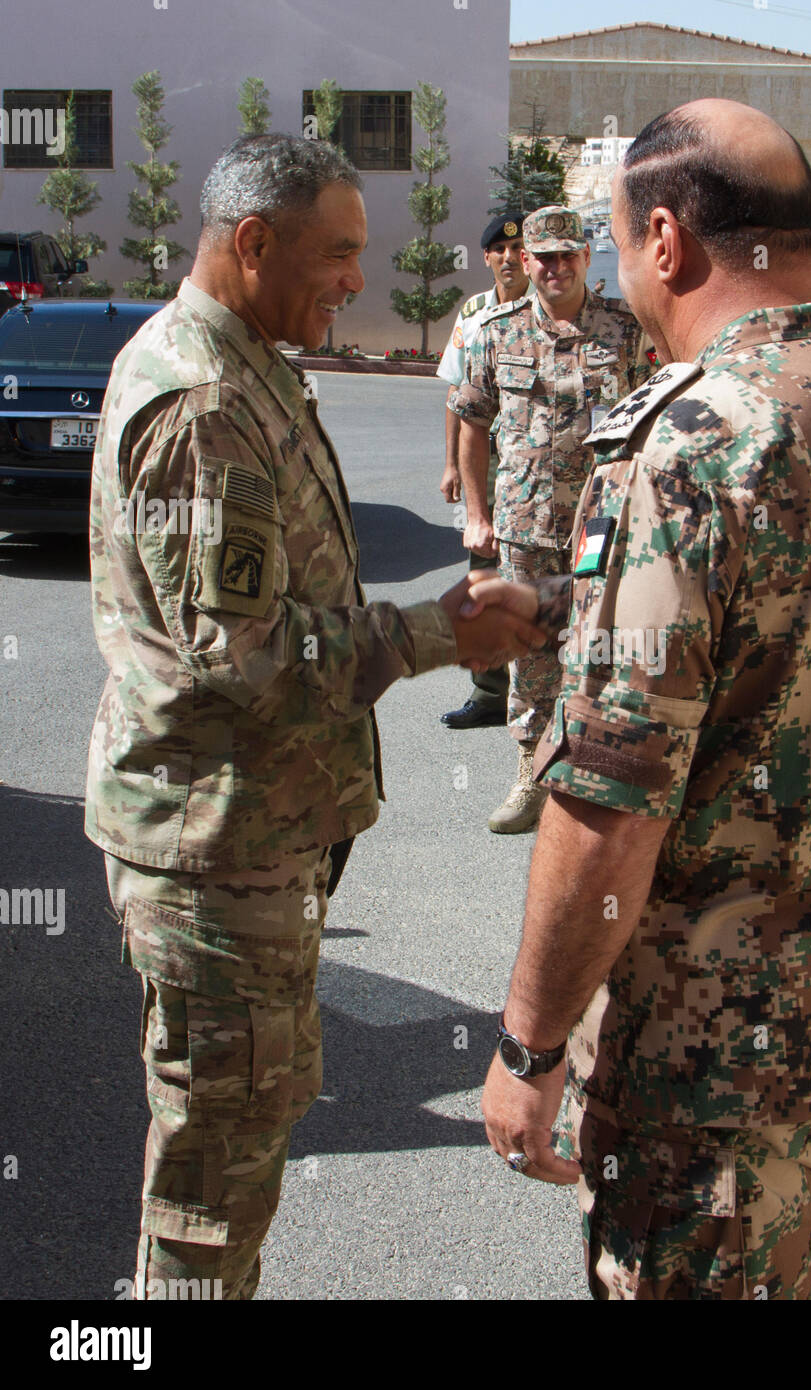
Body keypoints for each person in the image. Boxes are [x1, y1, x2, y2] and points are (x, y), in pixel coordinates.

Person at [478, 98, 811, 1300]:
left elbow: (611, 800)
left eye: (621, 248)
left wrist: (530, 1043)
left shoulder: (683, 451)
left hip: (719, 1081)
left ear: (666, 242)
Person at [84, 134, 545, 1300]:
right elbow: (241, 660)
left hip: (255, 839)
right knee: (212, 1169)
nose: (356, 280)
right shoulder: (202, 401)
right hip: (214, 847)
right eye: (337, 254)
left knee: (247, 1125)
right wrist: (442, 634)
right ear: (253, 242)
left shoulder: (246, 365)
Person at [450, 204, 650, 834]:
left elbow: (657, 418)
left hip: (607, 523)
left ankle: (600, 776)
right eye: (544, 257)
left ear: (587, 258)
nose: (555, 268)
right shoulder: (494, 331)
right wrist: (476, 513)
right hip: (525, 522)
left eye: (568, 256)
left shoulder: (628, 331)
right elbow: (472, 424)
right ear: (526, 262)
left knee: (607, 647)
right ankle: (530, 776)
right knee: (532, 650)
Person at [437, 212, 529, 730]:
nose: (511, 259)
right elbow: (457, 393)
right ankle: (491, 694)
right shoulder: (474, 313)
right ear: (488, 257)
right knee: (485, 575)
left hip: (539, 467)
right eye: (500, 250)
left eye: (519, 251)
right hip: (487, 467)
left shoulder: (552, 304)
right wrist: (450, 462)